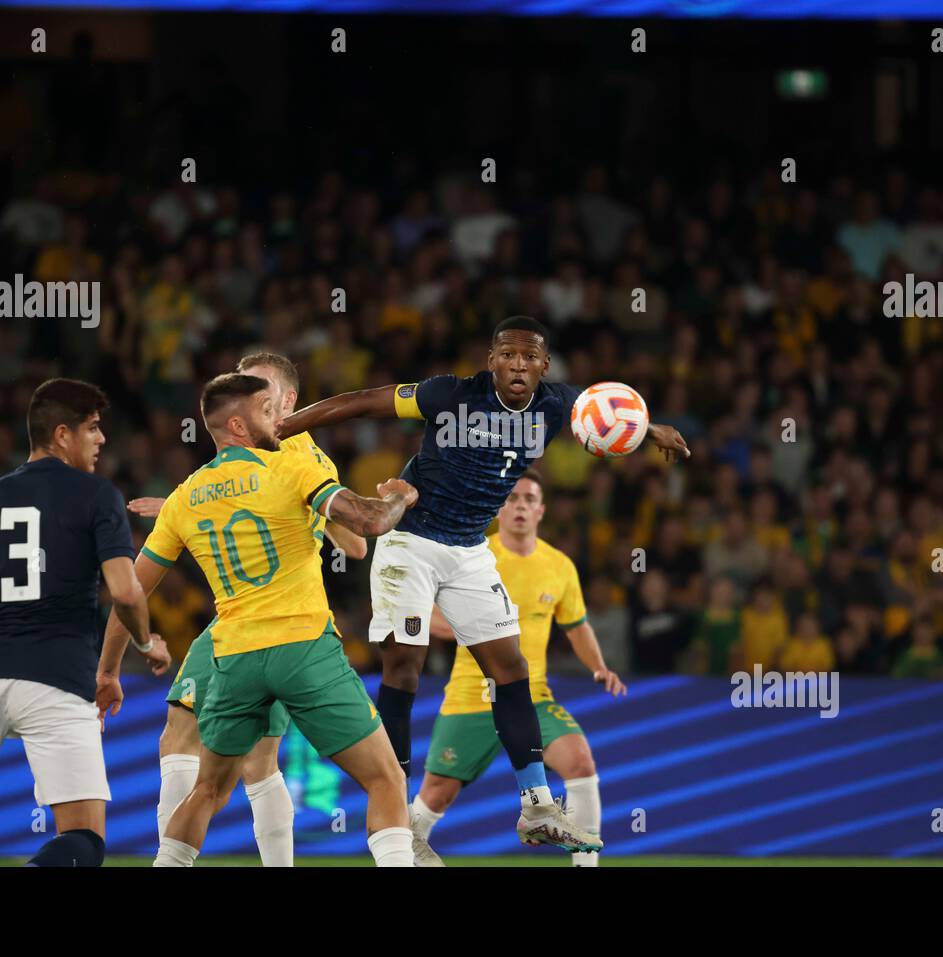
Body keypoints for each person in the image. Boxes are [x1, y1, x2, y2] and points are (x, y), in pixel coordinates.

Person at [276, 315, 688, 856]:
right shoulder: (448, 393)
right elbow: (362, 400)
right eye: (508, 354)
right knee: (405, 665)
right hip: (411, 541)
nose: (518, 365)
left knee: (511, 667)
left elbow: (603, 411)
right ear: (491, 359)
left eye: (530, 357)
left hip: (470, 551)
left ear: (544, 365)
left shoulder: (555, 403)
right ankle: (397, 818)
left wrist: (648, 429)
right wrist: (287, 427)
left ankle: (538, 806)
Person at [103, 372, 417, 866]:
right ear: (239, 424)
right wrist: (400, 495)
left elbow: (130, 592)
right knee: (386, 779)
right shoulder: (292, 470)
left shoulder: (186, 495)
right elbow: (368, 525)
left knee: (207, 791)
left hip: (233, 659)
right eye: (267, 411)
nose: (280, 420)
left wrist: (108, 669)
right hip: (303, 648)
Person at [0, 378, 168, 867]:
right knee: (84, 840)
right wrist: (147, 644)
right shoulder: (98, 497)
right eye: (93, 428)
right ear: (62, 434)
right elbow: (125, 591)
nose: (102, 440)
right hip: (58, 680)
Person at [413, 471, 626, 866]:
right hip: (471, 697)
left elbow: (576, 626)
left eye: (529, 499)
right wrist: (472, 626)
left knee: (580, 762)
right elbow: (425, 612)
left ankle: (586, 865)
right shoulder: (472, 556)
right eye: (512, 499)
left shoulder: (559, 566)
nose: (520, 507)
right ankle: (399, 853)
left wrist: (599, 667)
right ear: (499, 509)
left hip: (533, 697)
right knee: (436, 793)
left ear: (541, 511)